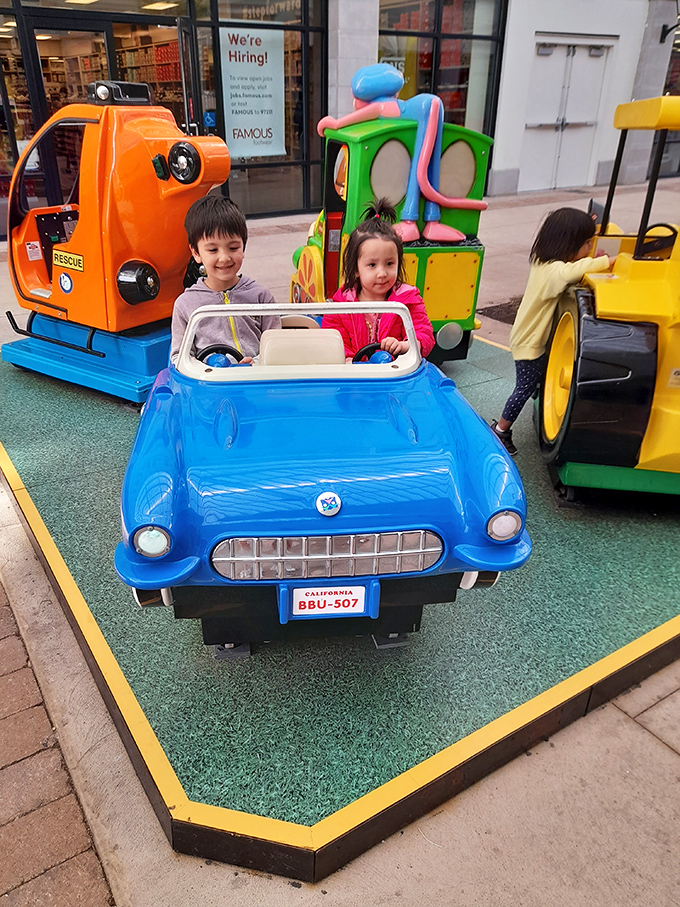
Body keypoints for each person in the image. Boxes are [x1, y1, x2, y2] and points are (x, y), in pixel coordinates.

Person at [490, 207, 616, 456]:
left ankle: (513, 414)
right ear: (569, 244)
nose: (590, 247)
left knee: (534, 379)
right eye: (587, 243)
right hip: (530, 343)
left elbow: (571, 269)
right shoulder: (553, 273)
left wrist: (586, 256)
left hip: (528, 337)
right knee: (523, 389)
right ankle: (501, 429)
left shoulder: (542, 262)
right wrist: (607, 261)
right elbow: (570, 272)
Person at [316, 63, 486, 243]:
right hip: (431, 106)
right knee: (428, 163)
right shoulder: (394, 105)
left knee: (422, 167)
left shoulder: (383, 106)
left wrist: (335, 124)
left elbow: (364, 114)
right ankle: (431, 220)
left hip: (429, 107)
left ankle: (412, 220)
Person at [170, 195, 280, 363]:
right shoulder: (185, 304)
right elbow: (179, 357)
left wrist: (257, 362)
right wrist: (204, 367)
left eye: (233, 247)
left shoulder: (261, 296)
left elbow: (276, 346)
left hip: (256, 380)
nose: (224, 258)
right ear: (196, 253)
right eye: (213, 250)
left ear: (243, 246)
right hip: (209, 383)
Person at [321, 198, 435, 360]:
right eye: (372, 265)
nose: (382, 273)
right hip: (354, 376)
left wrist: (404, 345)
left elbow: (424, 333)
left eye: (389, 263)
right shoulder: (343, 302)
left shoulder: (408, 299)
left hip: (394, 374)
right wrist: (347, 360)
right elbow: (333, 339)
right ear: (355, 269)